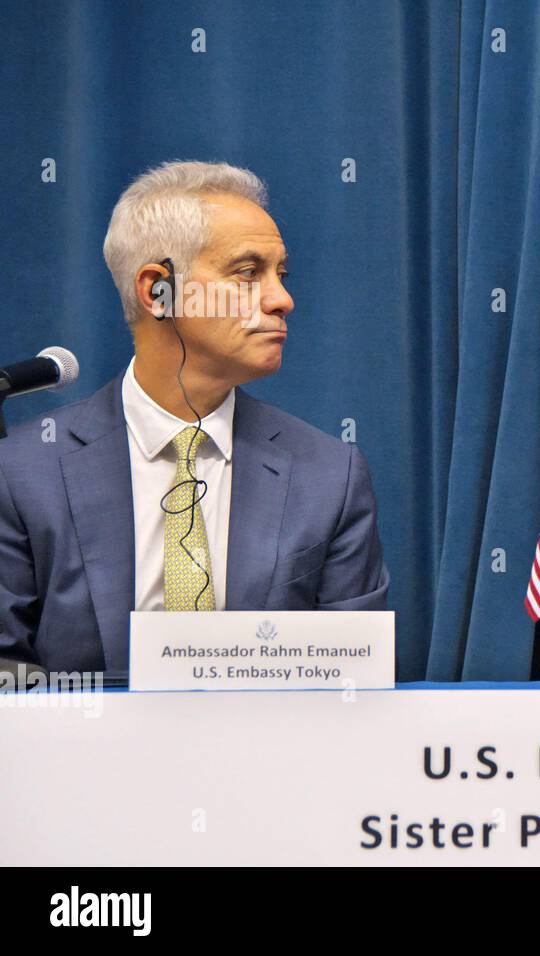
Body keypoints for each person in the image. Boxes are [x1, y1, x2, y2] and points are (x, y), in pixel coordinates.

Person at [0, 161, 389, 676]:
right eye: (248, 273)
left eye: (281, 275)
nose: (282, 300)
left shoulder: (329, 476)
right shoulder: (22, 473)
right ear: (158, 291)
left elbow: (355, 682)